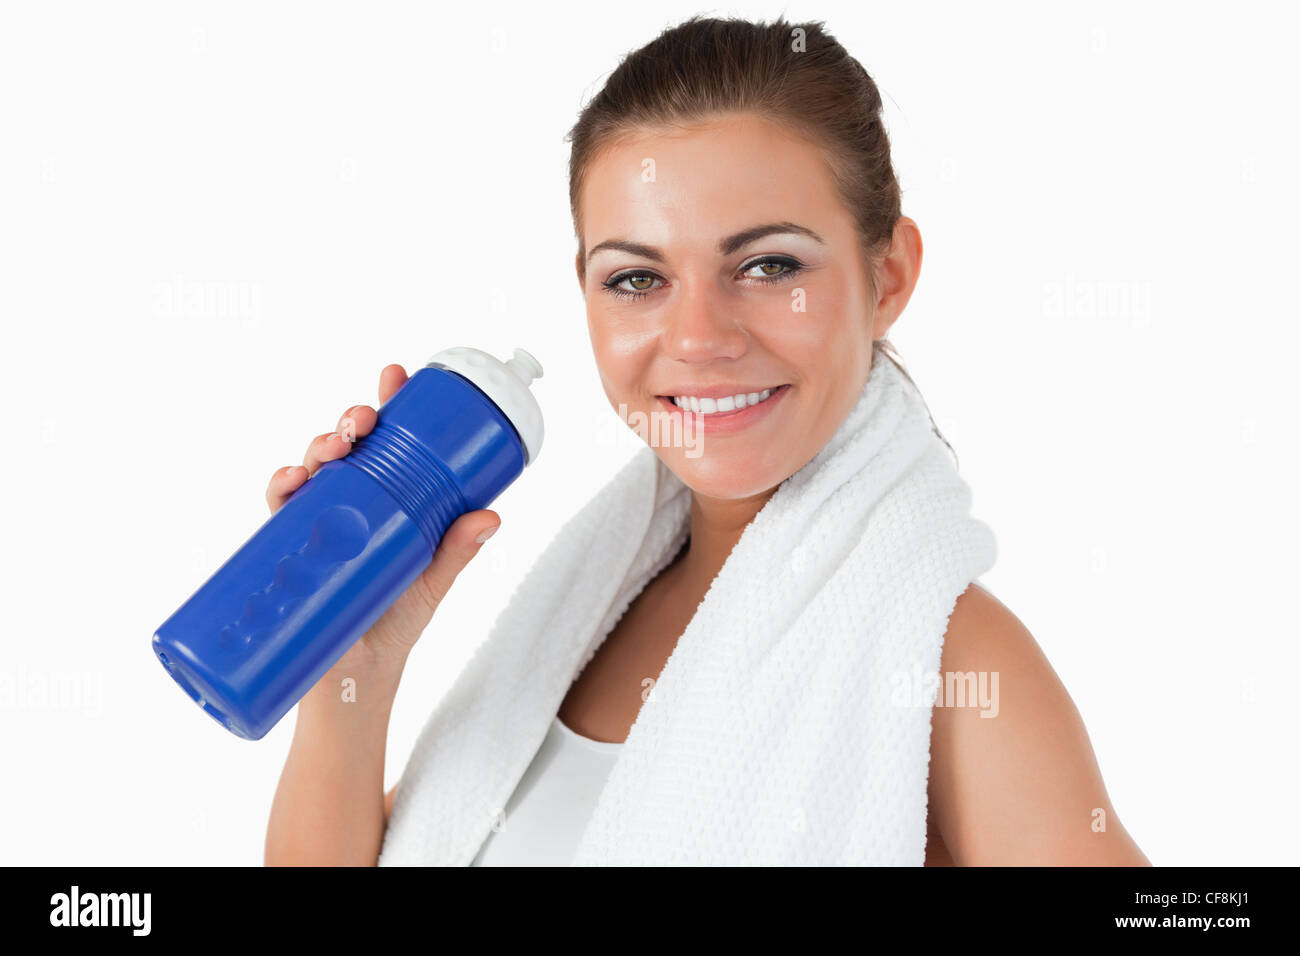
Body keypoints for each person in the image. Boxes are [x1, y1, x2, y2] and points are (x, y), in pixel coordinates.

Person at [264, 15, 1150, 867]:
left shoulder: (946, 661)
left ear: (888, 277)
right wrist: (353, 671)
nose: (698, 337)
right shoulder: (582, 618)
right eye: (638, 278)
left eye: (769, 266)